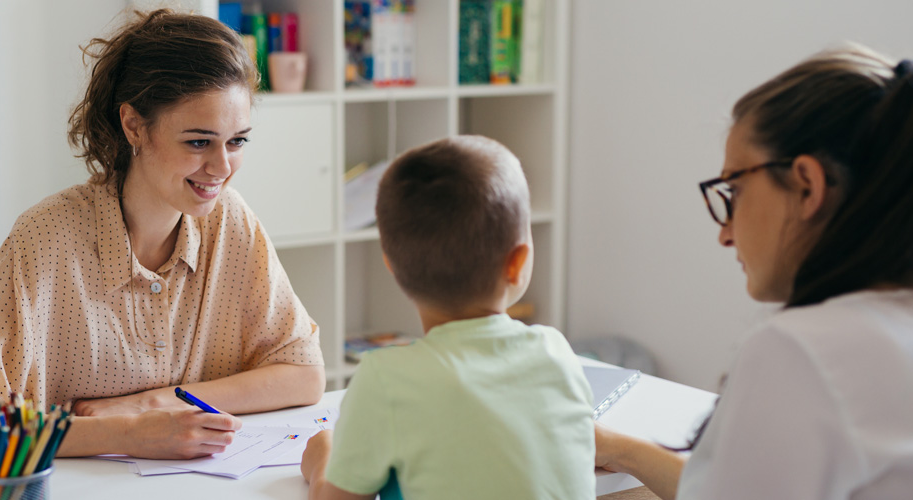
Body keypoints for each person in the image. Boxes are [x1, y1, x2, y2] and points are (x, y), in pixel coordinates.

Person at [0, 10, 325, 459]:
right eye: (199, 142)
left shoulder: (230, 222)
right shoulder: (45, 237)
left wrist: (154, 403)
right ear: (134, 125)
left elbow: (304, 372)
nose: (221, 168)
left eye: (237, 141)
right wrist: (128, 435)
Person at [595, 44, 913, 499]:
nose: (725, 233)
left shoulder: (801, 352)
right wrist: (620, 450)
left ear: (807, 186)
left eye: (733, 191)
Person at [300, 136, 596, 500]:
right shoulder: (557, 353)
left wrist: (320, 459)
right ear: (517, 263)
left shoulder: (386, 380)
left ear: (391, 266)